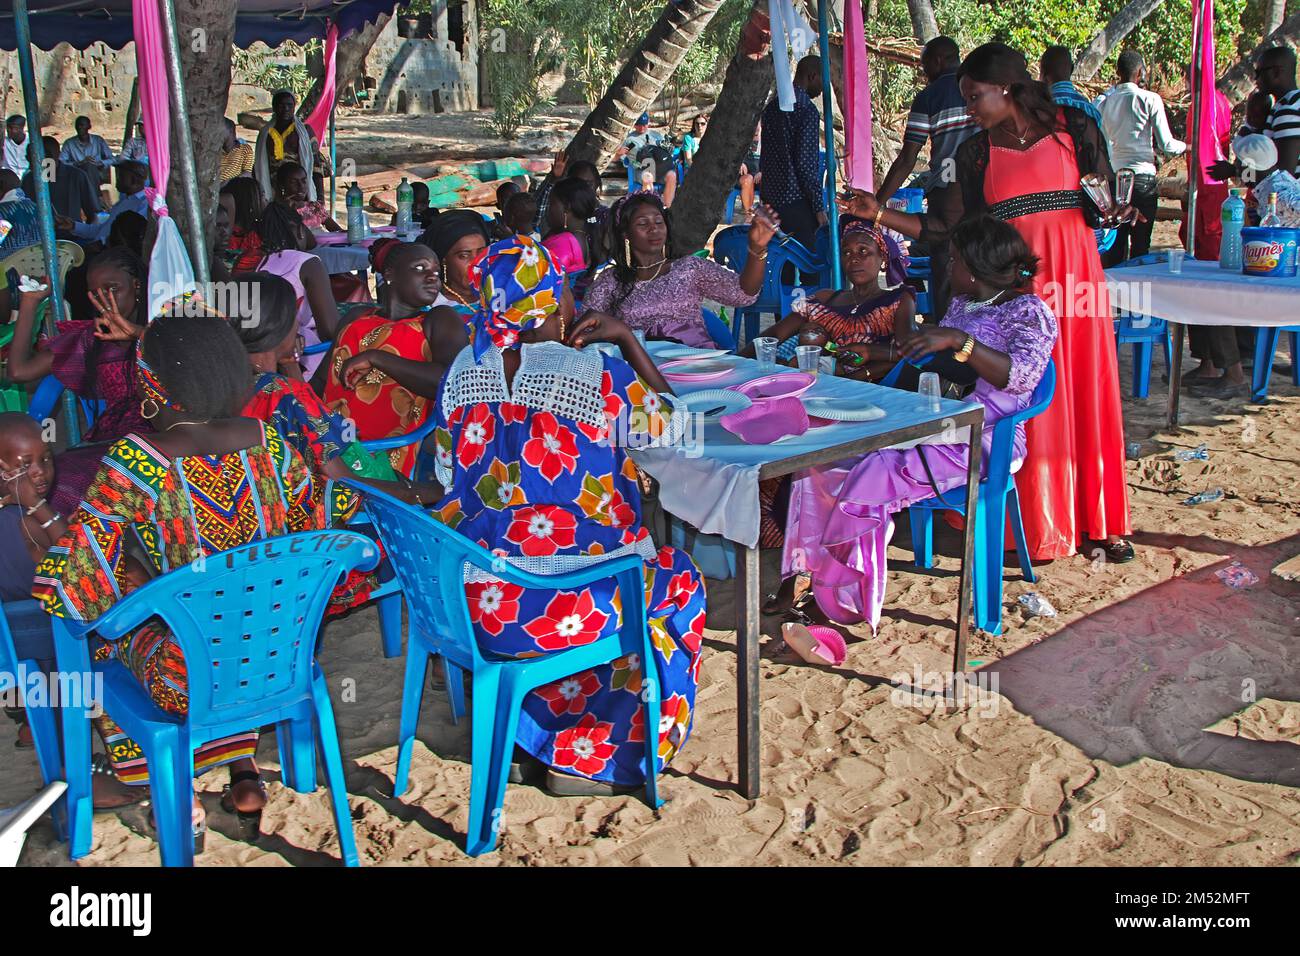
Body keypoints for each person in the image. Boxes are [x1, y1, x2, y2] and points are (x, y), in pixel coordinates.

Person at [32, 312, 340, 845]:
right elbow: (310, 540)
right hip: (279, 657)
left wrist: (60, 570)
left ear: (153, 383)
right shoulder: (271, 444)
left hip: (188, 679)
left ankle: (171, 790)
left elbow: (84, 579)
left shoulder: (139, 458)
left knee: (99, 634)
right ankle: (243, 770)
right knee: (236, 610)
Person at [839, 42, 1136, 563]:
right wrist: (880, 215)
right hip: (1015, 288)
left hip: (1075, 273)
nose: (970, 109)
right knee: (1024, 391)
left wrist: (1114, 211)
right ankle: (1037, 524)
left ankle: (1100, 520)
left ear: (1006, 86)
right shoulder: (975, 153)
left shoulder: (1074, 126)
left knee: (1082, 385)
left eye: (975, 97)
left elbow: (1102, 198)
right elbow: (949, 228)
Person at [429, 235, 704, 793]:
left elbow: (439, 474)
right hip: (559, 608)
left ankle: (523, 737)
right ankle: (589, 757)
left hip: (472, 604)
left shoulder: (461, 371)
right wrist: (626, 339)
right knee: (678, 581)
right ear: (554, 300)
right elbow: (680, 429)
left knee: (586, 562)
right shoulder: (595, 374)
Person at [778, 215, 1057, 629]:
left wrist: (959, 341)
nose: (948, 267)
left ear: (975, 266)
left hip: (984, 439)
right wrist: (880, 354)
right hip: (934, 421)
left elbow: (1019, 377)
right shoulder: (965, 304)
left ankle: (844, 597)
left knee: (872, 472)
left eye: (955, 260)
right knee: (819, 461)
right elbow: (939, 357)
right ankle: (805, 573)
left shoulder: (1028, 312)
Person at [6, 248, 152, 514]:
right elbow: (18, 371)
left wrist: (137, 335)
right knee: (46, 483)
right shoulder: (91, 338)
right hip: (113, 445)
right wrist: (29, 302)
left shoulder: (162, 328)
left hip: (160, 442)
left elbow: (194, 361)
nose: (105, 300)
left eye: (112, 288)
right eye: (96, 293)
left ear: (137, 286)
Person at [324, 241, 466, 475]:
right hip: (331, 443)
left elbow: (452, 382)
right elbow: (322, 381)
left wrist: (378, 358)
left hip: (386, 452)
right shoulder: (357, 317)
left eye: (437, 273)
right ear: (389, 274)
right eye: (420, 268)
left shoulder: (438, 320)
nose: (433, 278)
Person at [582, 192, 776, 349]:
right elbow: (585, 331)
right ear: (626, 234)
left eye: (659, 222)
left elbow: (743, 294)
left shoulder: (689, 269)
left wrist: (756, 249)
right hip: (643, 374)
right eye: (643, 224)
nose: (654, 229)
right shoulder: (610, 281)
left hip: (698, 367)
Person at [740, 217, 914, 384]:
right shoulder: (824, 300)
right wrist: (736, 361)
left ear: (882, 258)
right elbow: (773, 336)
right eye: (846, 252)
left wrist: (861, 372)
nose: (853, 258)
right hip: (817, 388)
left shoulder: (898, 300)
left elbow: (910, 351)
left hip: (874, 392)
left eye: (863, 251)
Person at [877, 36, 978, 320]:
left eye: (925, 66)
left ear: (938, 60)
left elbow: (908, 157)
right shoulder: (982, 88)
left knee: (947, 264)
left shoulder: (929, 96)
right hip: (984, 188)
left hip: (947, 192)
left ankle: (947, 328)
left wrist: (877, 204)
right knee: (982, 262)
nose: (924, 73)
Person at [1096, 50, 1185, 266]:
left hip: (1115, 179)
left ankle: (1115, 294)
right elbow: (1167, 145)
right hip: (1143, 179)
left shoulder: (1104, 102)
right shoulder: (1150, 99)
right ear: (1140, 72)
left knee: (1115, 246)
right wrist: (1187, 146)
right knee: (1141, 245)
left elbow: (1103, 142)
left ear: (1118, 72)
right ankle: (1139, 295)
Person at [232, 202, 337, 378]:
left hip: (257, 355)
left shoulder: (254, 263)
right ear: (300, 230)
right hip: (301, 356)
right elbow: (330, 331)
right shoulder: (308, 263)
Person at [760, 55, 826, 249]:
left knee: (783, 265)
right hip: (796, 200)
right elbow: (805, 166)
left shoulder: (773, 106)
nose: (823, 89)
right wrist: (818, 208)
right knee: (811, 263)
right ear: (812, 76)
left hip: (771, 199)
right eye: (823, 81)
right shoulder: (806, 110)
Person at [419, 207, 490, 315]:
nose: (477, 262)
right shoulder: (431, 306)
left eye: (481, 253)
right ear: (443, 260)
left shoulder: (502, 295)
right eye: (464, 255)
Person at [63, 160, 148, 247]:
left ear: (134, 180)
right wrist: (73, 226)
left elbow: (129, 238)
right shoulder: (125, 200)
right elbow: (102, 230)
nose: (116, 180)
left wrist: (99, 245)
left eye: (121, 176)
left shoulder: (144, 204)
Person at [541, 177, 598, 299]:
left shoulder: (564, 243)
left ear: (566, 207)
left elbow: (538, 277)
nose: (548, 210)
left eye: (552, 204)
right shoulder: (583, 235)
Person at [255, 90, 317, 203]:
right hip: (273, 188)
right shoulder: (265, 133)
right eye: (281, 105)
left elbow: (315, 165)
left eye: (290, 105)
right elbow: (259, 164)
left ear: (294, 107)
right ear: (274, 107)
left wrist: (318, 198)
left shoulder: (305, 132)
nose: (286, 109)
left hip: (298, 187)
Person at [24, 135, 99, 225]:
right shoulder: (28, 179)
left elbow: (93, 215)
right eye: (30, 158)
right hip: (37, 236)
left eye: (49, 156)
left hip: (70, 236)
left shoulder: (76, 176)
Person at [617, 113, 678, 207]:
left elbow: (666, 153)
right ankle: (652, 206)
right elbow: (621, 158)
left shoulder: (656, 135)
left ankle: (668, 206)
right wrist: (621, 155)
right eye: (639, 125)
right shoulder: (630, 139)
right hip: (641, 169)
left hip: (659, 168)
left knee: (672, 175)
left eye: (644, 125)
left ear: (648, 123)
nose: (642, 128)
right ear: (634, 125)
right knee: (648, 176)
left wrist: (668, 149)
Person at [1041, 46, 1105, 131]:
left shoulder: (1038, 108)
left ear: (1043, 72)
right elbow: (1102, 143)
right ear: (1072, 70)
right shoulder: (1091, 112)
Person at [275, 161, 342, 232]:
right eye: (293, 182)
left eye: (304, 181)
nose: (301, 186)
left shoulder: (314, 207)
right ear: (282, 185)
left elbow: (338, 231)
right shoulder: (277, 212)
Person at [218, 176, 267, 261]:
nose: (266, 200)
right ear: (250, 201)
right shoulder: (227, 236)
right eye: (262, 195)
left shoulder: (254, 231)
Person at [60, 116, 115, 187]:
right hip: (77, 174)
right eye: (78, 125)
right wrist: (79, 163)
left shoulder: (98, 140)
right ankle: (96, 195)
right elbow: (61, 162)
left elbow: (113, 159)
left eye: (82, 125)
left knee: (90, 167)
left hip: (97, 174)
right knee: (86, 169)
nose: (79, 127)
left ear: (89, 127)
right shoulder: (69, 143)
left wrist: (100, 163)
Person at [220, 117, 256, 183]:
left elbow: (247, 174)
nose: (221, 138)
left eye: (224, 135)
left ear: (232, 133)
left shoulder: (245, 150)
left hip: (233, 189)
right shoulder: (215, 152)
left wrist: (227, 183)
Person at [739, 124, 762, 215]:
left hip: (759, 177)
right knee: (748, 179)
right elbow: (733, 156)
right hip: (743, 176)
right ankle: (749, 214)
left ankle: (764, 213)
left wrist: (762, 172)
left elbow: (772, 160)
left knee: (769, 180)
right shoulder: (742, 140)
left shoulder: (767, 142)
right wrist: (740, 163)